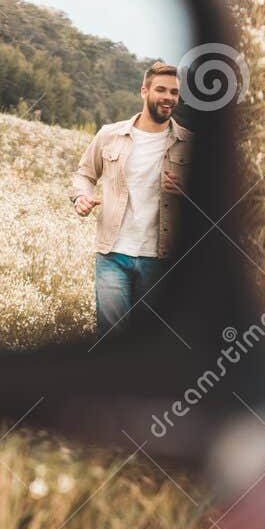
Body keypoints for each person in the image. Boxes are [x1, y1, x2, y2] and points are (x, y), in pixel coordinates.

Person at [70, 62, 191, 335]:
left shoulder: (189, 143)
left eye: (174, 92)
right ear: (144, 91)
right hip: (112, 254)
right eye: (161, 89)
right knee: (112, 335)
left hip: (161, 260)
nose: (168, 97)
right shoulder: (109, 134)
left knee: (145, 339)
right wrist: (81, 197)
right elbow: (84, 175)